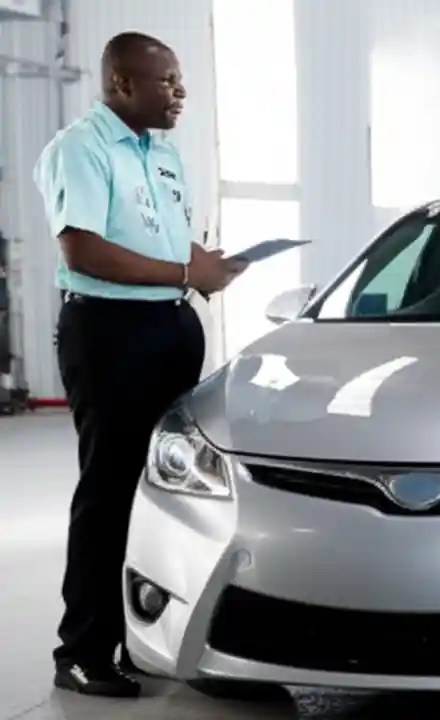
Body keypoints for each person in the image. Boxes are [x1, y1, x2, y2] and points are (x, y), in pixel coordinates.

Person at [32, 31, 245, 697]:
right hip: (110, 332)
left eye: (181, 80)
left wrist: (203, 268)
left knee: (172, 487)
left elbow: (164, 240)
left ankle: (150, 639)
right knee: (111, 488)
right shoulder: (81, 149)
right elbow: (85, 251)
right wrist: (184, 271)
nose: (181, 92)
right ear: (122, 83)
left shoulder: (164, 153)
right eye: (168, 81)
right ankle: (83, 650)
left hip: (169, 323)